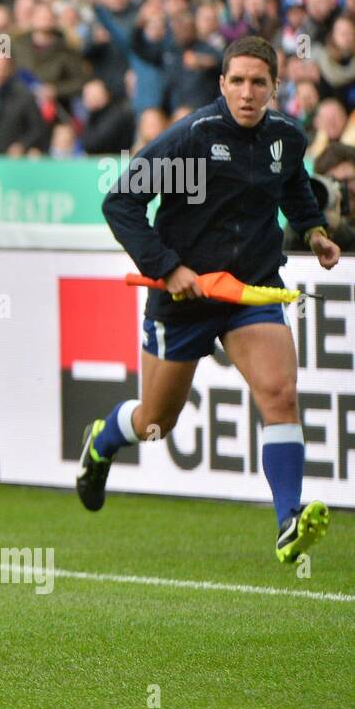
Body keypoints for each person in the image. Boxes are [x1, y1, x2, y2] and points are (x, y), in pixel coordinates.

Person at [79, 36, 342, 564]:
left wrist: (313, 231)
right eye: (238, 81)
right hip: (185, 298)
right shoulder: (190, 138)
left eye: (258, 83)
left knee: (280, 393)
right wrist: (168, 267)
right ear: (222, 85)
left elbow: (291, 185)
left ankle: (288, 521)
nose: (247, 92)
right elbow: (122, 202)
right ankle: (103, 439)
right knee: (156, 423)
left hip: (251, 290)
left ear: (274, 87)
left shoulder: (287, 138)